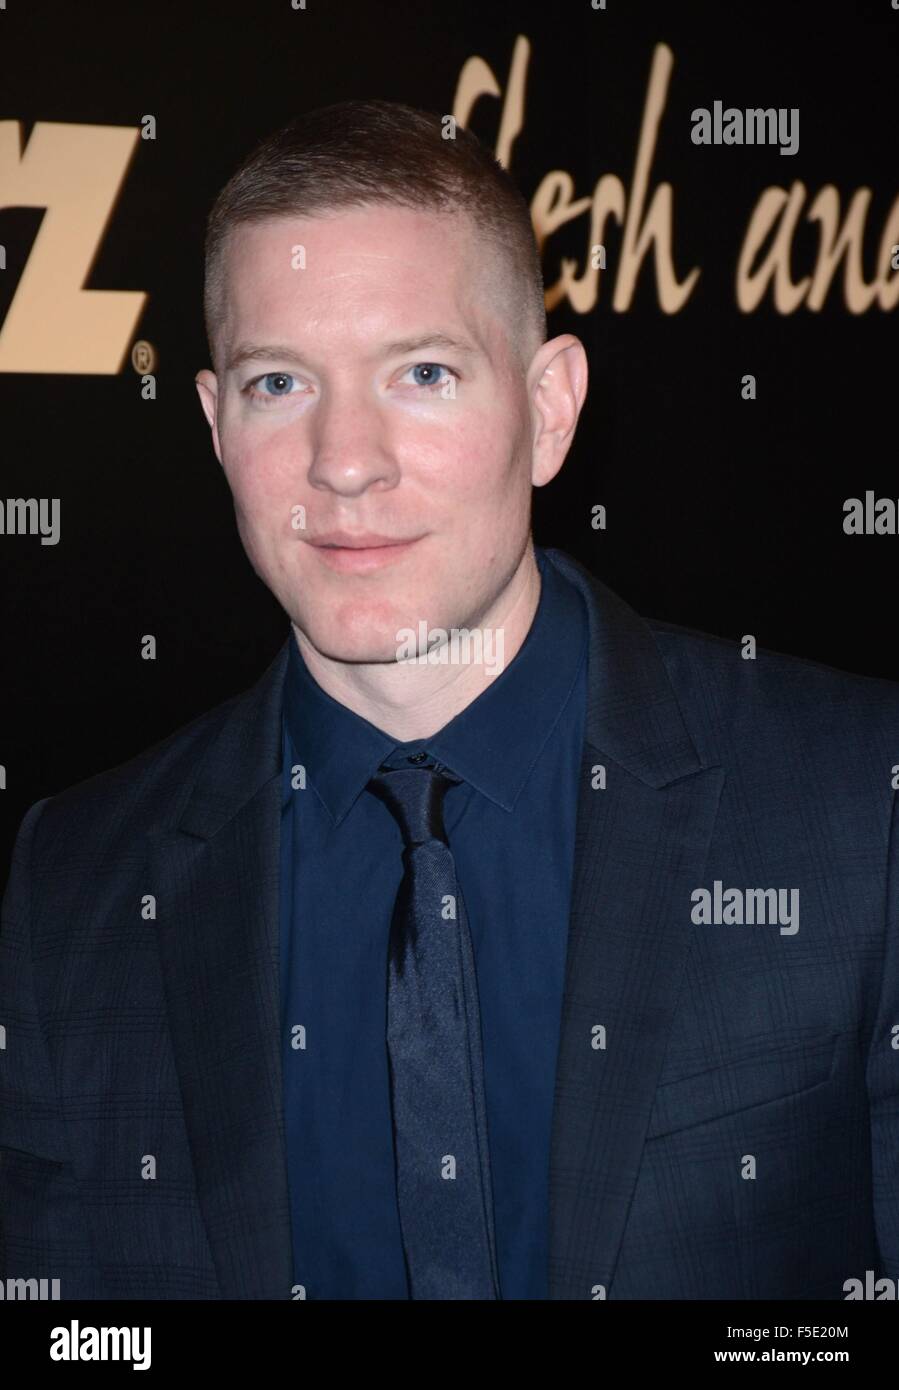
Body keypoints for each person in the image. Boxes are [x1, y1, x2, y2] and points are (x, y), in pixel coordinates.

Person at [1, 98, 897, 1302]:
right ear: (213, 425)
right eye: (279, 384)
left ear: (548, 408)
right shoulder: (71, 887)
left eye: (421, 372)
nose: (345, 458)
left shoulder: (857, 802)